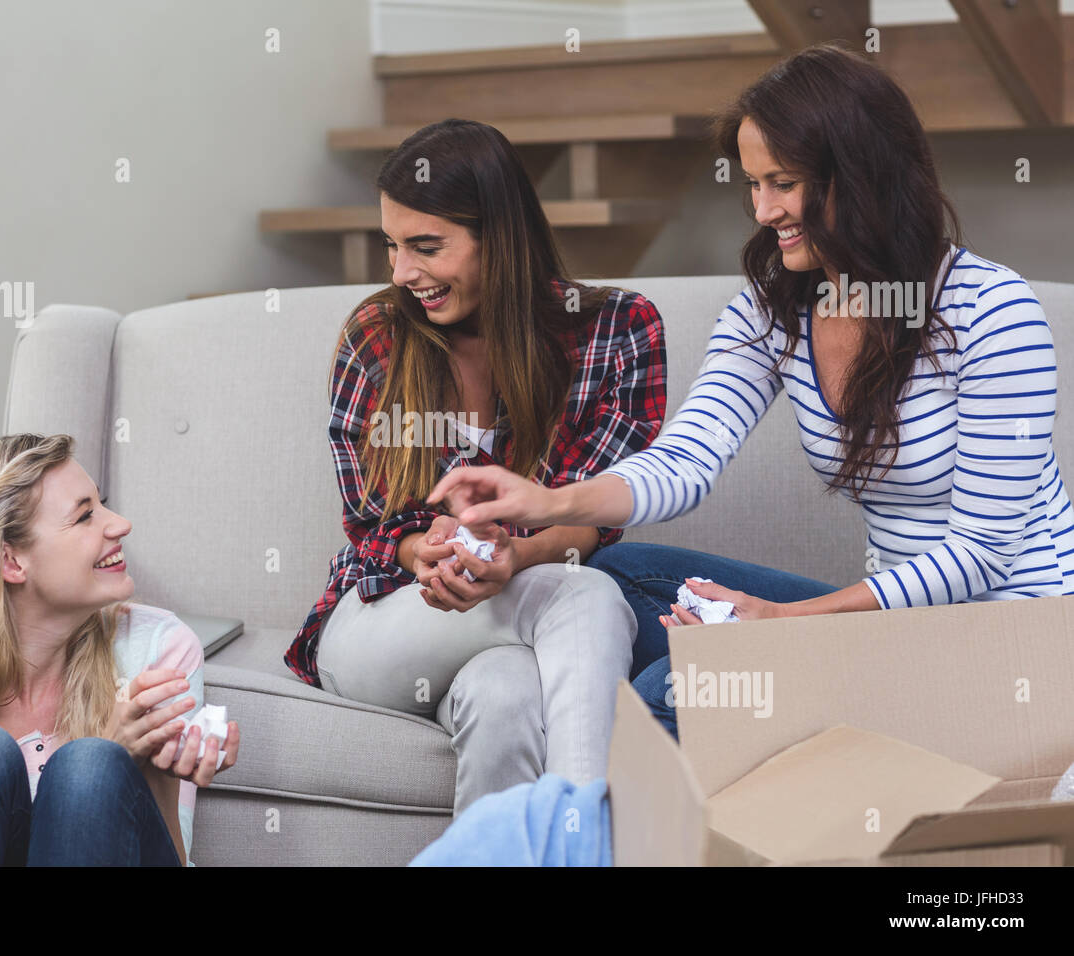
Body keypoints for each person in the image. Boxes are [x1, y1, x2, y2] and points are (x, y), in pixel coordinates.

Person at [429, 44, 1073, 743]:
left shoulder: (991, 309)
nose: (762, 209)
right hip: (895, 629)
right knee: (618, 572)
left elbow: (983, 550)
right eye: (753, 184)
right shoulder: (772, 313)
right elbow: (686, 460)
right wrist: (547, 502)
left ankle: (587, 822)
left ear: (861, 175)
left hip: (1021, 638)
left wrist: (780, 624)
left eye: (784, 182)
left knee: (676, 690)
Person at [284, 118, 667, 812]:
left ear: (503, 236)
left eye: (427, 247)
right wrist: (419, 549)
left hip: (517, 610)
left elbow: (596, 516)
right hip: (384, 618)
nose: (403, 273)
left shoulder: (616, 333)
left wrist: (513, 559)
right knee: (586, 596)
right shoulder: (376, 334)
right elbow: (369, 525)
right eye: (393, 247)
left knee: (508, 694)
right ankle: (586, 837)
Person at [0, 433, 240, 866]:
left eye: (101, 504)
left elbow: (173, 855)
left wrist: (145, 773)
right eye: (86, 516)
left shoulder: (157, 646)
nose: (120, 524)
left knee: (88, 766)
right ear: (12, 562)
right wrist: (109, 748)